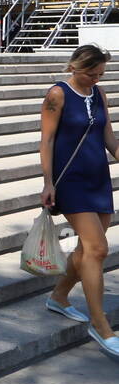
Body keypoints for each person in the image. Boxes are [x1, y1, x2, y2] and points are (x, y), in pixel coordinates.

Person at [41, 44, 119, 357]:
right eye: (90, 73)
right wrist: (48, 182)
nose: (95, 79)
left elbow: (108, 137)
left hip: (97, 177)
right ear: (74, 66)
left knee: (86, 250)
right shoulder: (56, 95)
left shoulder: (99, 94)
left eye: (100, 74)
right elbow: (46, 140)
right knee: (98, 248)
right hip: (70, 180)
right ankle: (100, 325)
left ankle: (59, 296)